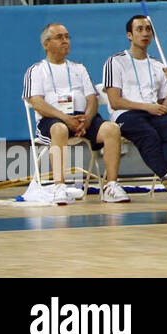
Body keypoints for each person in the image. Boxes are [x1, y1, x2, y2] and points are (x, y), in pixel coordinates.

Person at [23, 23, 130, 204]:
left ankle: (111, 185)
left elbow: (92, 98)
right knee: (59, 129)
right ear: (46, 44)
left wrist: (86, 121)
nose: (65, 41)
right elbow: (37, 102)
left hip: (83, 118)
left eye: (67, 37)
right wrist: (65, 119)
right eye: (59, 37)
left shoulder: (79, 68)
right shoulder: (36, 70)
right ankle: (59, 186)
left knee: (111, 129)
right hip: (53, 119)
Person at [103, 15, 167, 200]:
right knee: (148, 134)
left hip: (154, 113)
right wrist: (147, 107)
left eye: (148, 29)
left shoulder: (158, 65)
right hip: (126, 114)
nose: (145, 33)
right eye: (139, 29)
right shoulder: (115, 61)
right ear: (129, 35)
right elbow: (115, 101)